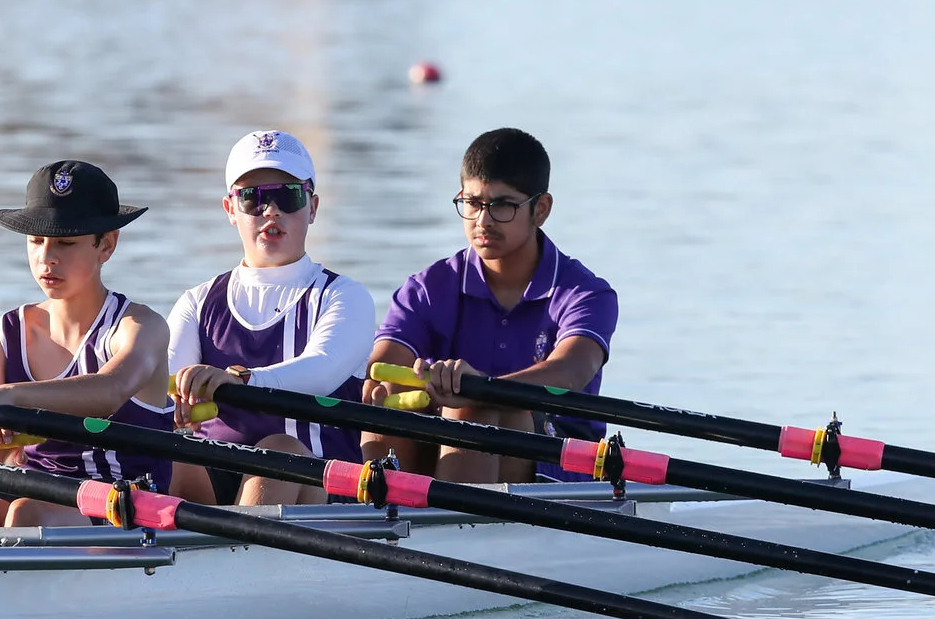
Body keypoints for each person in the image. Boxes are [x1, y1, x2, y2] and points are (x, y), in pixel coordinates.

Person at [362, 127, 618, 482]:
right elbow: (381, 366)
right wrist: (428, 383)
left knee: (473, 406)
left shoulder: (585, 293)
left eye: (502, 205)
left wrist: (480, 387)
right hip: (451, 440)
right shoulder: (427, 288)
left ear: (540, 209)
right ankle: (386, 513)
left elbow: (573, 369)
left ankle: (448, 527)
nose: (483, 221)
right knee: (385, 394)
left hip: (561, 459)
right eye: (472, 203)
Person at [0, 159, 173, 528]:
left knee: (27, 513)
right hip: (37, 490)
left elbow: (111, 390)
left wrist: (10, 398)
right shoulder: (5, 334)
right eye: (36, 241)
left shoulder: (140, 326)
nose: (47, 257)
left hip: (127, 500)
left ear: (106, 245)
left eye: (66, 242)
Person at [167, 130, 375, 505]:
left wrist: (242, 380)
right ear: (231, 210)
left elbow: (322, 371)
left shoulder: (345, 297)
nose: (271, 211)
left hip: (319, 484)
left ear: (312, 207)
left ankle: (236, 554)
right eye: (253, 199)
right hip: (218, 478)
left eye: (287, 196)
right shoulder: (196, 302)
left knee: (279, 450)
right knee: (171, 457)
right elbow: (159, 388)